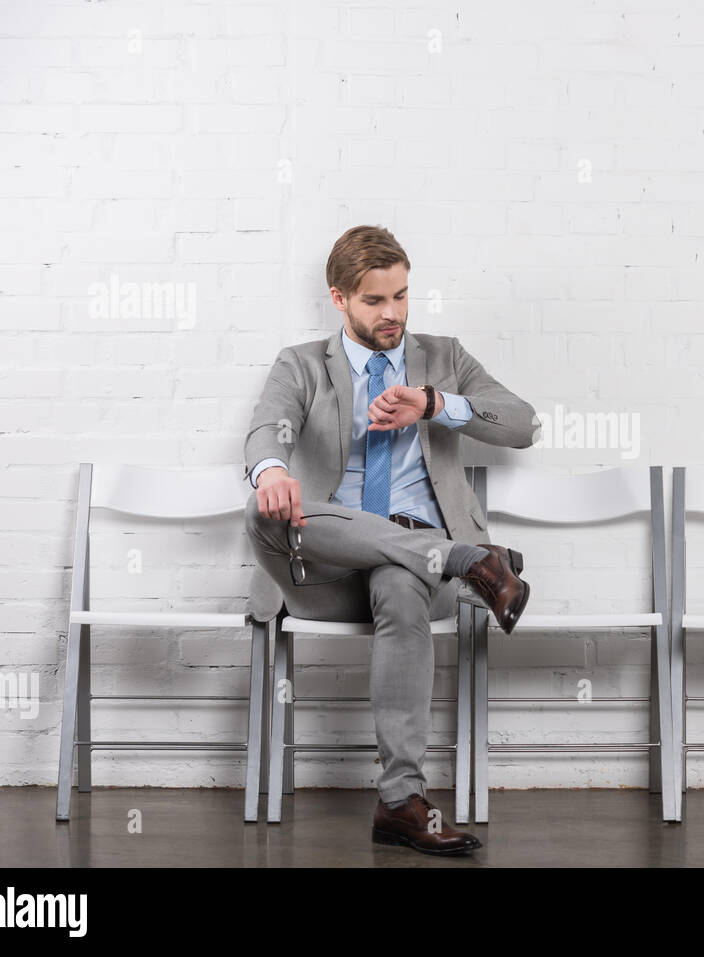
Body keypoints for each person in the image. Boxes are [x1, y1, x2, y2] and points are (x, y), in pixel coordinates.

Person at [242, 224, 536, 855]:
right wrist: (272, 473)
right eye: (375, 301)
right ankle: (472, 561)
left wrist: (434, 403)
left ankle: (401, 802)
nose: (393, 314)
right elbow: (268, 427)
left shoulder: (443, 357)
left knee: (402, 578)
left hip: (416, 567)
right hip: (324, 566)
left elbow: (521, 424)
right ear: (339, 299)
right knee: (262, 512)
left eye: (402, 297)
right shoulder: (301, 364)